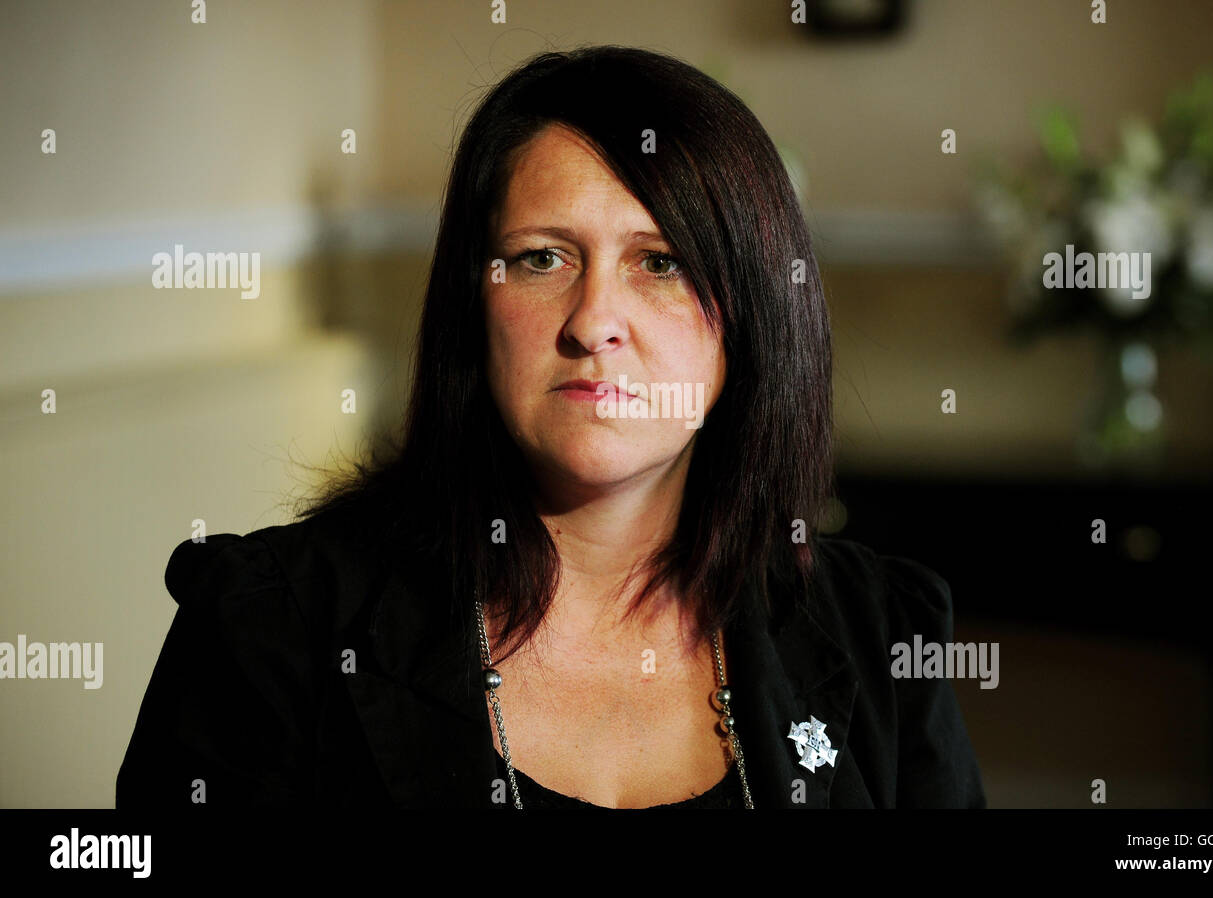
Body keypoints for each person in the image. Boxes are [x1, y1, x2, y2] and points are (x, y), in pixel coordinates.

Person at [116, 44, 986, 809]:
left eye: (661, 263)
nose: (593, 320)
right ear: (474, 305)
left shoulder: (881, 634)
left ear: (753, 319)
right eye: (542, 258)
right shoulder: (269, 628)